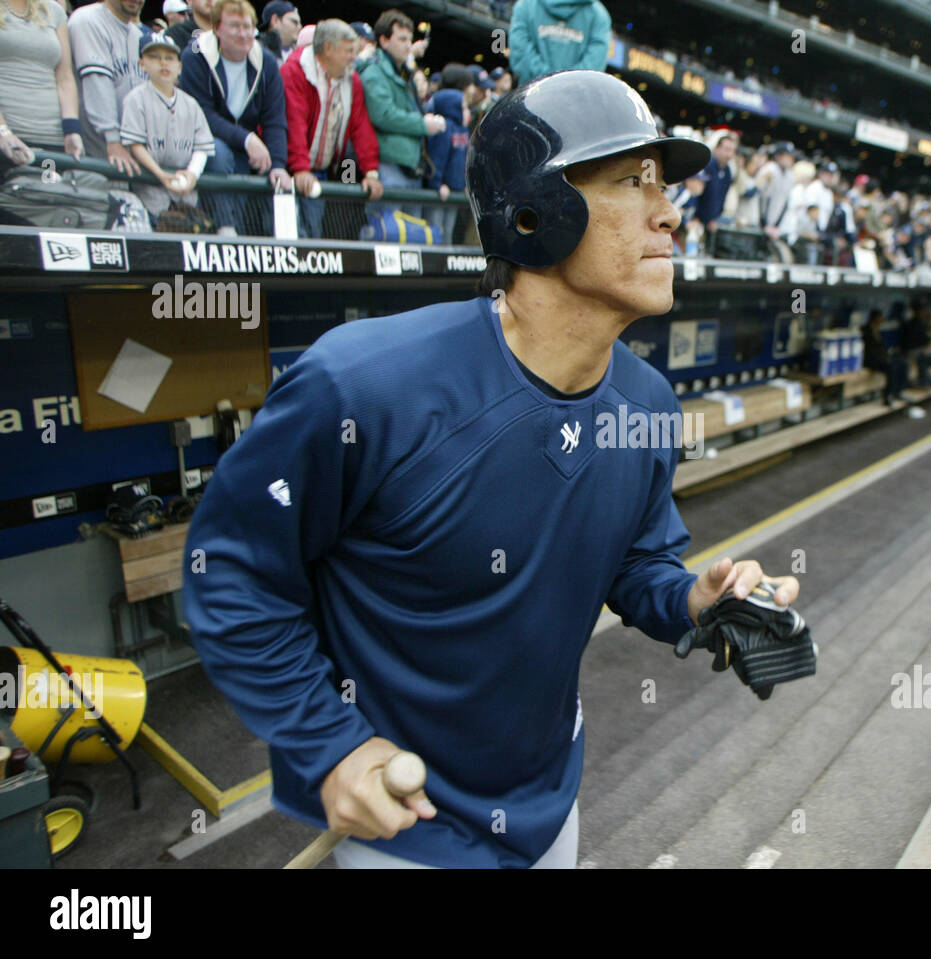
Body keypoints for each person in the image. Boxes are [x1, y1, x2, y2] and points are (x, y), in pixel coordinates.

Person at [181, 69, 799, 869]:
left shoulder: (646, 398)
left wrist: (693, 600)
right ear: (537, 211)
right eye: (631, 182)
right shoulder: (365, 384)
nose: (670, 212)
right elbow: (231, 573)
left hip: (552, 802)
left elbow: (636, 561)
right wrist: (332, 747)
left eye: (664, 185)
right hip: (409, 824)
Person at [180, 0, 289, 234]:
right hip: (204, 142)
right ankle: (225, 230)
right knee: (218, 153)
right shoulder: (195, 56)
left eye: (248, 27)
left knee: (276, 175)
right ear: (217, 28)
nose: (243, 34)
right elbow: (202, 115)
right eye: (235, 26)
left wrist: (279, 164)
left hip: (245, 149)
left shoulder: (266, 61)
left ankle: (276, 245)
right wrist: (247, 139)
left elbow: (274, 119)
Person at [280, 19, 382, 238]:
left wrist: (371, 172)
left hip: (319, 172)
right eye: (348, 51)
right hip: (287, 171)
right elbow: (293, 121)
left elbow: (361, 127)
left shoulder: (351, 80)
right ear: (327, 48)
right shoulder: (295, 71)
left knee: (314, 235)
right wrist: (300, 168)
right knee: (288, 235)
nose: (353, 57)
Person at [358, 8, 444, 224]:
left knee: (411, 243)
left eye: (410, 39)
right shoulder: (374, 72)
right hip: (388, 166)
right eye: (402, 39)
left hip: (409, 167)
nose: (408, 45)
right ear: (384, 40)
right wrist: (423, 125)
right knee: (386, 239)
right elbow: (383, 115)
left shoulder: (402, 72)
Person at [119, 34, 213, 219]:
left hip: (186, 196)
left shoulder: (191, 104)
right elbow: (135, 145)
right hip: (148, 193)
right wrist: (160, 174)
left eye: (169, 58)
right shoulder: (135, 98)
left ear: (179, 66)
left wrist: (193, 174)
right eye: (154, 57)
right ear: (142, 64)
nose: (163, 63)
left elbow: (202, 148)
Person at [0, 0, 84, 167]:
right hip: (9, 138)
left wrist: (72, 129)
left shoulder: (54, 11)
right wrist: (3, 131)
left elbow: (65, 77)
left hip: (54, 139)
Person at [68, 0, 147, 172]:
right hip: (95, 155)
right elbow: (97, 84)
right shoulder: (87, 20)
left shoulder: (139, 36)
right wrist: (113, 139)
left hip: (132, 157)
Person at [507, 0, 610, 87]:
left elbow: (520, 54)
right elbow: (594, 66)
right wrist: (566, 85)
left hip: (531, 97)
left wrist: (546, 81)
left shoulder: (525, 5)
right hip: (575, 103)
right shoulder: (599, 14)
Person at [425, 63, 470, 244]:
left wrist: (464, 185)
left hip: (455, 190)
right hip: (441, 191)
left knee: (447, 235)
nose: (467, 111)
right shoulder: (444, 128)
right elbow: (437, 158)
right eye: (463, 106)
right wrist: (437, 184)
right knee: (434, 232)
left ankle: (443, 271)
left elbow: (464, 161)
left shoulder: (463, 130)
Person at [686, 131, 736, 255]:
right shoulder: (707, 165)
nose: (729, 154)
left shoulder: (728, 171)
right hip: (694, 220)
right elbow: (695, 191)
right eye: (726, 149)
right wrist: (694, 217)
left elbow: (722, 197)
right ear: (718, 148)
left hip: (711, 222)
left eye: (732, 151)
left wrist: (714, 218)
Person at [256, 0, 298, 66]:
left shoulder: (301, 54)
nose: (300, 26)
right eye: (294, 22)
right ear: (275, 20)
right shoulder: (256, 50)